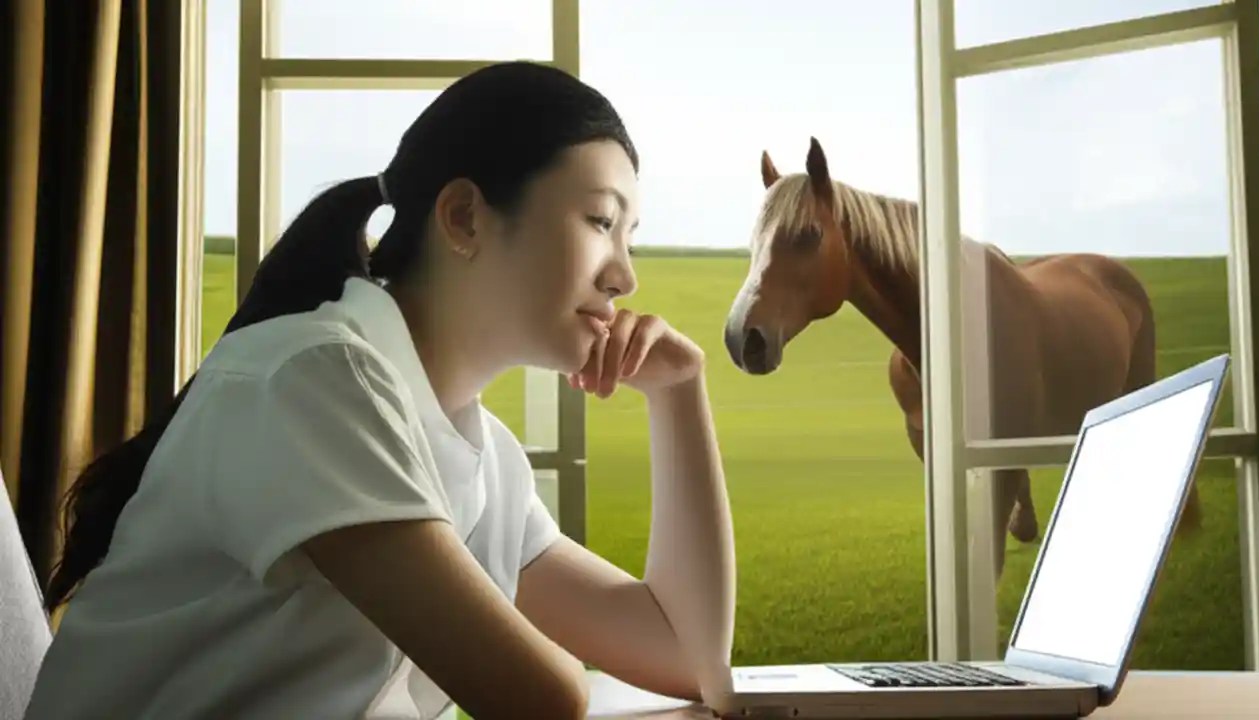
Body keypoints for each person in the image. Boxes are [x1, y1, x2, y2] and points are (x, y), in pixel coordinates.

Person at [25, 61, 736, 719]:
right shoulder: (315, 380)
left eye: (630, 237)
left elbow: (683, 654)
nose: (625, 277)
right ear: (463, 218)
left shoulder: (485, 460)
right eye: (601, 222)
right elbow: (540, 698)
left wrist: (678, 394)